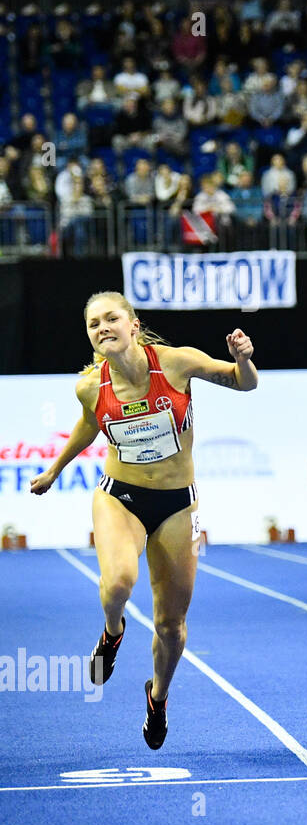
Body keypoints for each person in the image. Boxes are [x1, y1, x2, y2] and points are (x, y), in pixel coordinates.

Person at [28, 292, 258, 747]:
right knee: (118, 583)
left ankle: (158, 696)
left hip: (177, 504)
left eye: (111, 318)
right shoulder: (90, 387)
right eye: (94, 324)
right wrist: (55, 468)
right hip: (120, 496)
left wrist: (242, 360)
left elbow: (243, 383)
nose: (103, 327)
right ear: (91, 337)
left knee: (171, 627)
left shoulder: (176, 364)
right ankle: (112, 634)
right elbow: (91, 424)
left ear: (133, 326)